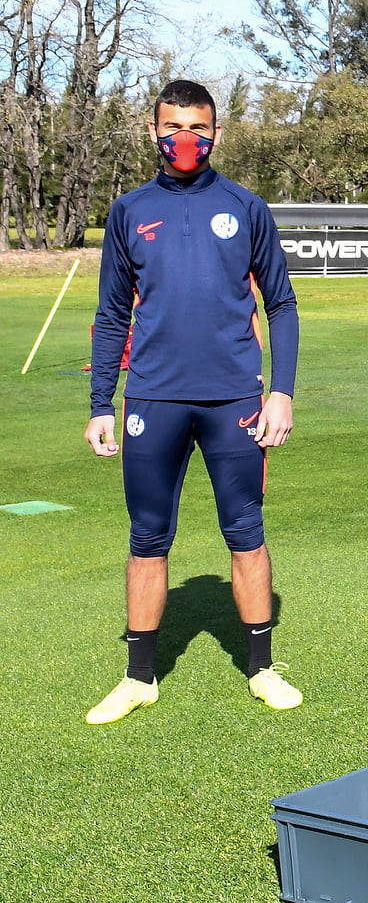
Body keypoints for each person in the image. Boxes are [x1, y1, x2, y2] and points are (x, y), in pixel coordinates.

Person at [83, 78, 302, 724]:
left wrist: (281, 391)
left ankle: (261, 667)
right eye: (174, 126)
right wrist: (102, 402)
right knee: (148, 538)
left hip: (236, 398)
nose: (186, 139)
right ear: (152, 132)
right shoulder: (129, 211)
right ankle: (138, 677)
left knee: (245, 533)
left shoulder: (246, 207)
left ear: (217, 133)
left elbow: (282, 304)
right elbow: (111, 314)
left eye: (198, 127)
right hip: (152, 398)